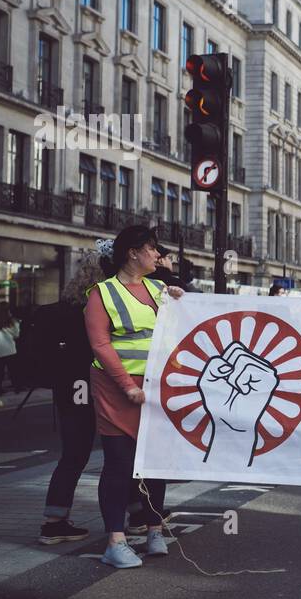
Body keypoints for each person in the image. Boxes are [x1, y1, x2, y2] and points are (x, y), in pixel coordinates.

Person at [87, 225, 185, 568]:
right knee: (119, 462)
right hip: (117, 389)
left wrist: (181, 300)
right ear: (132, 252)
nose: (158, 255)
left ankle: (153, 531)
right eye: (152, 249)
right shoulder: (102, 293)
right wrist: (127, 385)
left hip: (154, 387)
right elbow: (100, 344)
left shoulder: (160, 288)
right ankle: (115, 541)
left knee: (154, 461)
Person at [34, 250, 109, 545]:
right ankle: (136, 513)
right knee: (120, 452)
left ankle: (55, 519)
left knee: (73, 455)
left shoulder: (62, 309)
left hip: (68, 391)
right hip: (96, 388)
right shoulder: (98, 308)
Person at [0, 302, 20, 395]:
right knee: (13, 370)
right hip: (10, 348)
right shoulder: (12, 321)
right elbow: (17, 334)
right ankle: (17, 387)